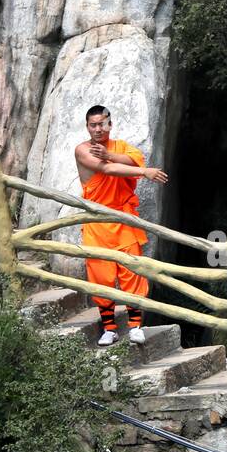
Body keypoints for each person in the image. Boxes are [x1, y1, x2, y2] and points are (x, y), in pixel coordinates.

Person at [73, 105, 168, 346]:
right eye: (93, 125)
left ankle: (136, 326)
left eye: (102, 124)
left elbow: (129, 158)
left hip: (123, 219)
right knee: (101, 275)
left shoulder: (122, 147)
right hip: (97, 220)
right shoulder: (83, 150)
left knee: (132, 272)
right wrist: (144, 172)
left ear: (110, 124)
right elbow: (108, 169)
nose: (97, 129)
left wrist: (112, 155)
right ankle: (109, 328)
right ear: (87, 127)